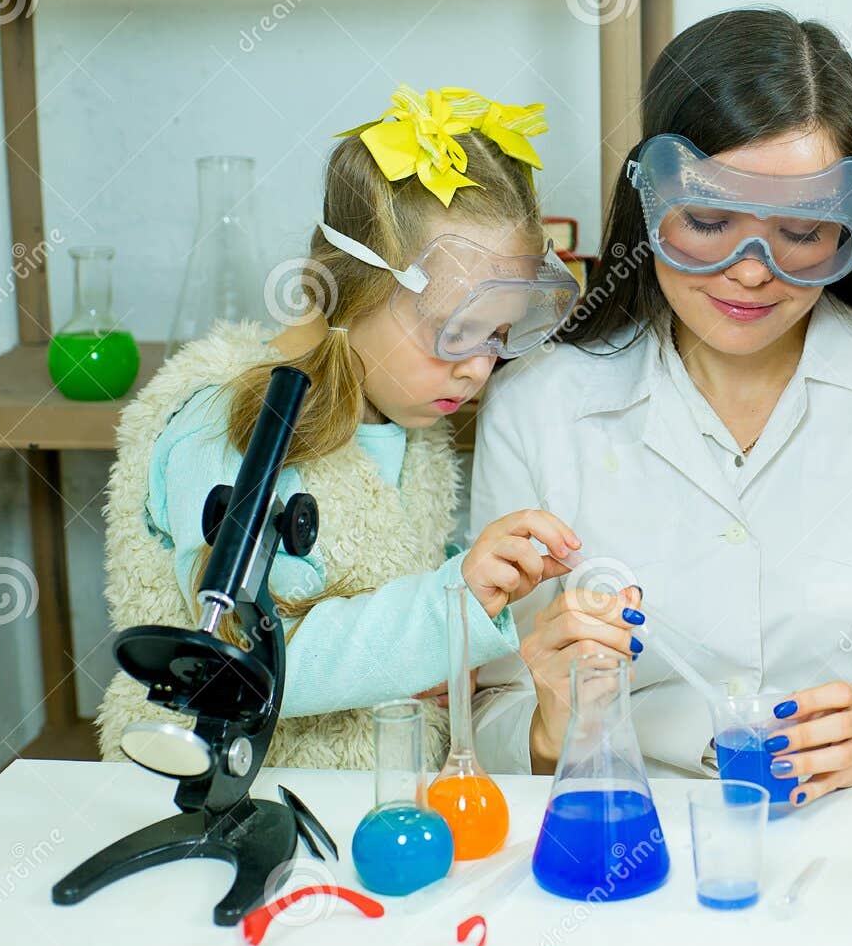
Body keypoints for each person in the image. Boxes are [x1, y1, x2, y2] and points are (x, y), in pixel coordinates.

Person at [471, 9, 852, 800]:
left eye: (801, 230)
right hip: (624, 823)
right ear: (651, 201)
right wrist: (548, 723)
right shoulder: (535, 406)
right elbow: (486, 710)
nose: (751, 270)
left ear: (848, 223)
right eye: (709, 221)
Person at [98, 86, 637, 769]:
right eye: (454, 331)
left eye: (499, 335)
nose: (478, 367)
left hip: (367, 801)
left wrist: (454, 657)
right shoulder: (229, 425)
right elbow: (239, 657)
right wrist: (452, 607)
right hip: (218, 789)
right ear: (354, 288)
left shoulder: (410, 429)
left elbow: (386, 619)